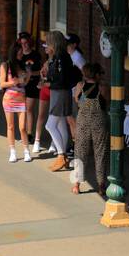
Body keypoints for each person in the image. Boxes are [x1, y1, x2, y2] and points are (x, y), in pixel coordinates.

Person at [71, 62, 109, 196]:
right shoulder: (102, 88)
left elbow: (77, 100)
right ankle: (101, 185)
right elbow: (107, 101)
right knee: (100, 153)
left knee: (80, 152)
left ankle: (76, 185)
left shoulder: (79, 86)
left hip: (83, 122)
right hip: (99, 121)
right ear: (97, 74)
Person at [44, 32, 76, 172]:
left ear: (54, 43)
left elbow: (61, 78)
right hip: (61, 92)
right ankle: (64, 158)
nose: (46, 45)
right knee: (61, 123)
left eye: (48, 42)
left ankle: (61, 155)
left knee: (50, 125)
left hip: (60, 93)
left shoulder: (60, 58)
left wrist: (48, 84)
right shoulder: (60, 57)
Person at [0, 40, 31, 163]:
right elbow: (2, 84)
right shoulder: (5, 65)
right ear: (14, 52)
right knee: (10, 126)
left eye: (22, 53)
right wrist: (14, 82)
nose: (21, 55)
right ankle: (12, 152)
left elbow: (25, 84)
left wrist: (27, 77)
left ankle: (26, 151)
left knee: (23, 127)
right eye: (19, 53)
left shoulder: (23, 65)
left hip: (21, 99)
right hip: (9, 99)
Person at [16, 32, 42, 154]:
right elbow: (17, 69)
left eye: (26, 43)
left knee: (29, 109)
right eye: (22, 44)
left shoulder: (36, 55)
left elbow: (41, 71)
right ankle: (24, 132)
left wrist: (31, 74)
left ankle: (30, 134)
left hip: (32, 84)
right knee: (23, 109)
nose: (24, 46)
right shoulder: (20, 55)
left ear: (30, 43)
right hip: (23, 85)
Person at [65, 34, 86, 142]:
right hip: (68, 89)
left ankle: (78, 143)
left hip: (74, 91)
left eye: (68, 43)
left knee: (73, 117)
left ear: (74, 45)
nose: (66, 45)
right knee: (69, 117)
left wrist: (79, 90)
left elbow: (85, 74)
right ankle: (74, 142)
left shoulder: (78, 57)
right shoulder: (68, 55)